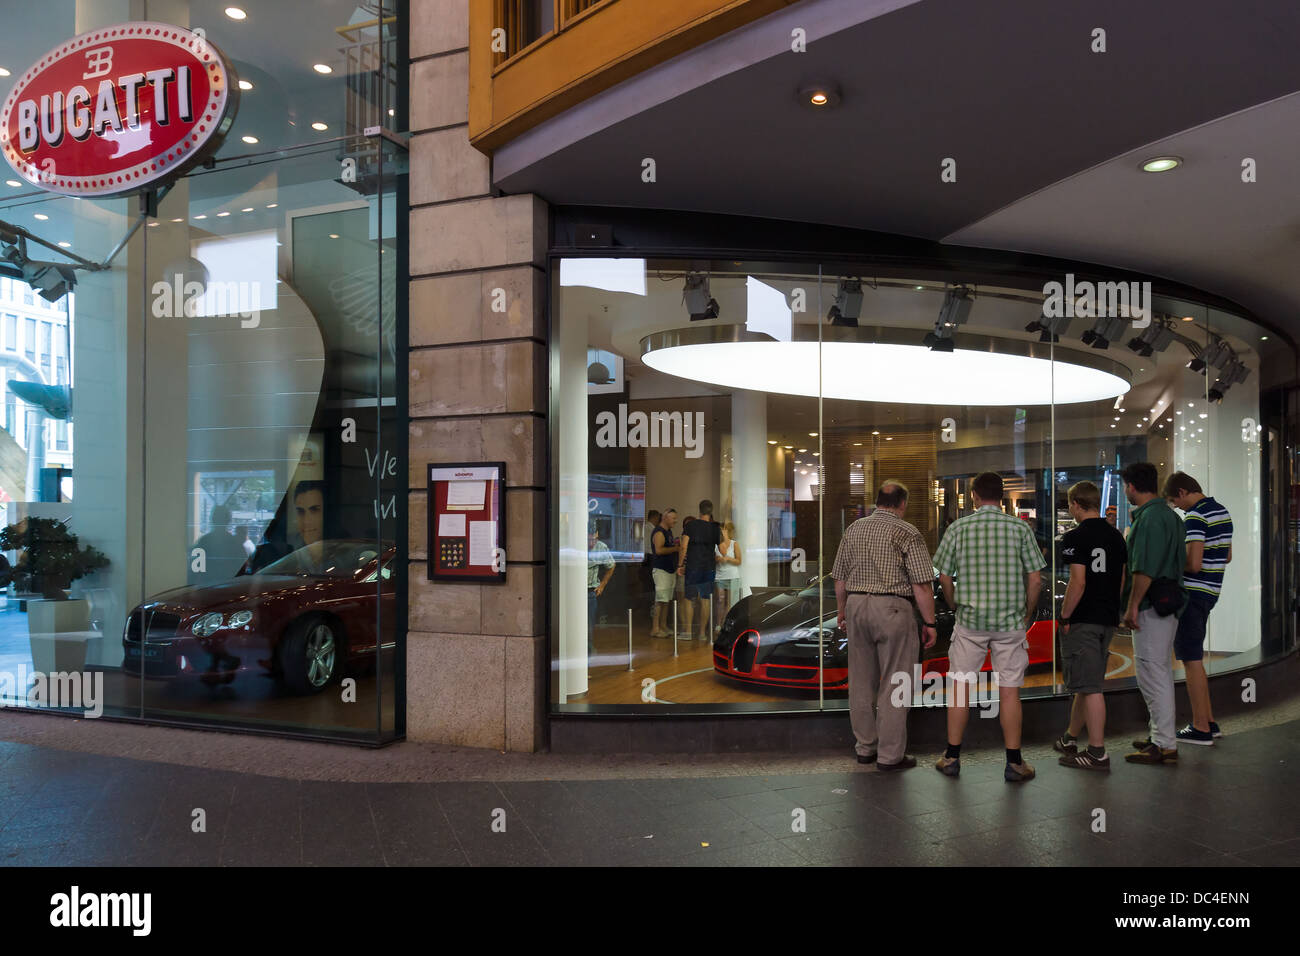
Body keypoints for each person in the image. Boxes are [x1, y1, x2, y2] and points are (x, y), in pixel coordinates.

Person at [931, 471, 1045, 782]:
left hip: (970, 623)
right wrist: (1026, 613)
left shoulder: (959, 528)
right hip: (1009, 622)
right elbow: (1035, 578)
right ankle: (1014, 763)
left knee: (960, 689)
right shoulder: (1020, 528)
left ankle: (952, 757)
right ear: (1000, 494)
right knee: (1009, 692)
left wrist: (955, 605)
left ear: (975, 496)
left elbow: (944, 576)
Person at [831, 481, 937, 771]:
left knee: (861, 681)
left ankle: (865, 748)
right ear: (902, 503)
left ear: (877, 500)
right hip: (892, 607)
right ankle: (890, 756)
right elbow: (922, 585)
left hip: (855, 605)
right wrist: (929, 622)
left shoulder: (854, 529)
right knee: (896, 682)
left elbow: (839, 578)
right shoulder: (907, 532)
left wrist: (842, 610)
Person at [1053, 481, 1128, 771]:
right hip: (1107, 617)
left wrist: (1065, 615)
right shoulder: (1116, 536)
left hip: (1084, 619)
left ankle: (1097, 752)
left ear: (1074, 504)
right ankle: (1070, 738)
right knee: (1087, 681)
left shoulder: (1075, 537)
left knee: (1091, 686)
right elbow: (1120, 580)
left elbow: (1078, 582)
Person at [1120, 462, 1187, 764]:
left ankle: (1164, 743)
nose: (1125, 492)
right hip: (1168, 602)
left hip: (1151, 605)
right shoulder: (1171, 517)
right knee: (1157, 669)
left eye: (1125, 486)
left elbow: (1143, 570)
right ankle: (1159, 735)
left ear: (1132, 486)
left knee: (1153, 672)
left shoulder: (1147, 520)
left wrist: (1133, 605)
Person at [1163, 471, 1232, 745]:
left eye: (1174, 501)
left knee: (1190, 661)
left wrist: (1169, 562)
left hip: (1192, 594)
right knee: (1196, 660)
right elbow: (1227, 555)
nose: (1176, 507)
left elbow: (1193, 563)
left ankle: (1200, 727)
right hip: (1212, 591)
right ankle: (1210, 720)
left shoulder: (1195, 516)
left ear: (1182, 492)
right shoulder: (1222, 511)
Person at [677, 500, 722, 640]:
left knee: (689, 599)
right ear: (711, 511)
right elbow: (723, 550)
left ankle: (688, 632)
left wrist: (680, 565)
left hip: (693, 567)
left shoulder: (691, 525)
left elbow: (683, 547)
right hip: (708, 567)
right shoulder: (715, 528)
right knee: (705, 599)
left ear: (700, 510)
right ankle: (702, 633)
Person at [190, 504, 247, 585]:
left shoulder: (204, 541)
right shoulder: (236, 543)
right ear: (228, 520)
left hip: (208, 589)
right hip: (230, 590)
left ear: (212, 519)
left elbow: (194, 571)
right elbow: (243, 571)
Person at [587, 519, 615, 656]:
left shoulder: (601, 547)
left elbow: (611, 566)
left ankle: (587, 661)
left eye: (594, 539)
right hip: (573, 592)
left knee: (589, 629)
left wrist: (602, 585)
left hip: (590, 592)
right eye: (589, 540)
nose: (592, 543)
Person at [649, 509, 678, 638]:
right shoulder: (659, 532)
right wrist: (676, 548)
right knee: (660, 600)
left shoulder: (668, 532)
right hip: (661, 570)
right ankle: (655, 628)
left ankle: (663, 625)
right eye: (673, 518)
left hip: (670, 570)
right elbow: (659, 550)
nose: (675, 521)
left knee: (666, 600)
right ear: (665, 518)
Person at [713, 520, 743, 628]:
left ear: (728, 531)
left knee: (730, 602)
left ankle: (726, 624)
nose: (721, 531)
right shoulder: (716, 544)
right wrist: (718, 559)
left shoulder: (734, 544)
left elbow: (739, 561)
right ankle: (718, 624)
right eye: (720, 529)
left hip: (733, 576)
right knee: (720, 600)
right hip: (719, 576)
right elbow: (713, 558)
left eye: (723, 529)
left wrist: (728, 559)